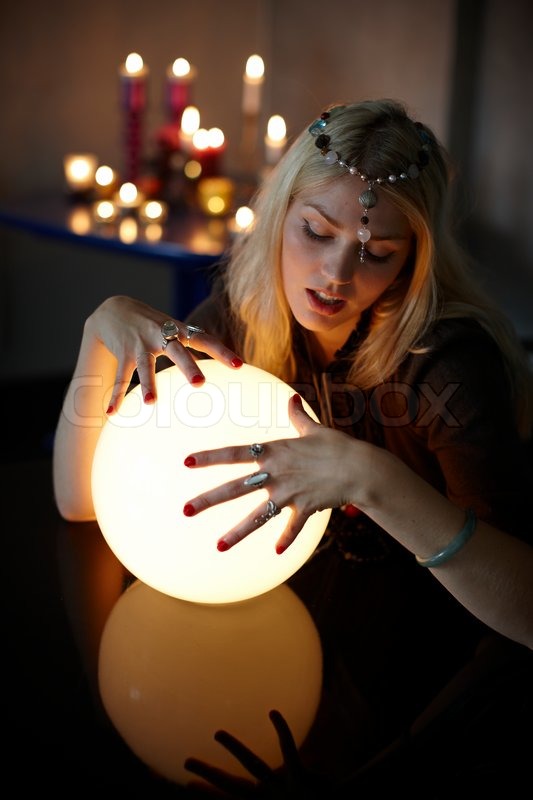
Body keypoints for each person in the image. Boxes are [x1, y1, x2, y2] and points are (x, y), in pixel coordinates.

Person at [53, 99, 533, 788]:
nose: (337, 274)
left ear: (411, 262)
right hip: (267, 644)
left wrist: (370, 479)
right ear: (279, 217)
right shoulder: (240, 322)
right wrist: (99, 333)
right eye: (314, 230)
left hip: (422, 680)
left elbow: (522, 611)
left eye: (375, 252)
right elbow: (80, 504)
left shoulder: (442, 366)